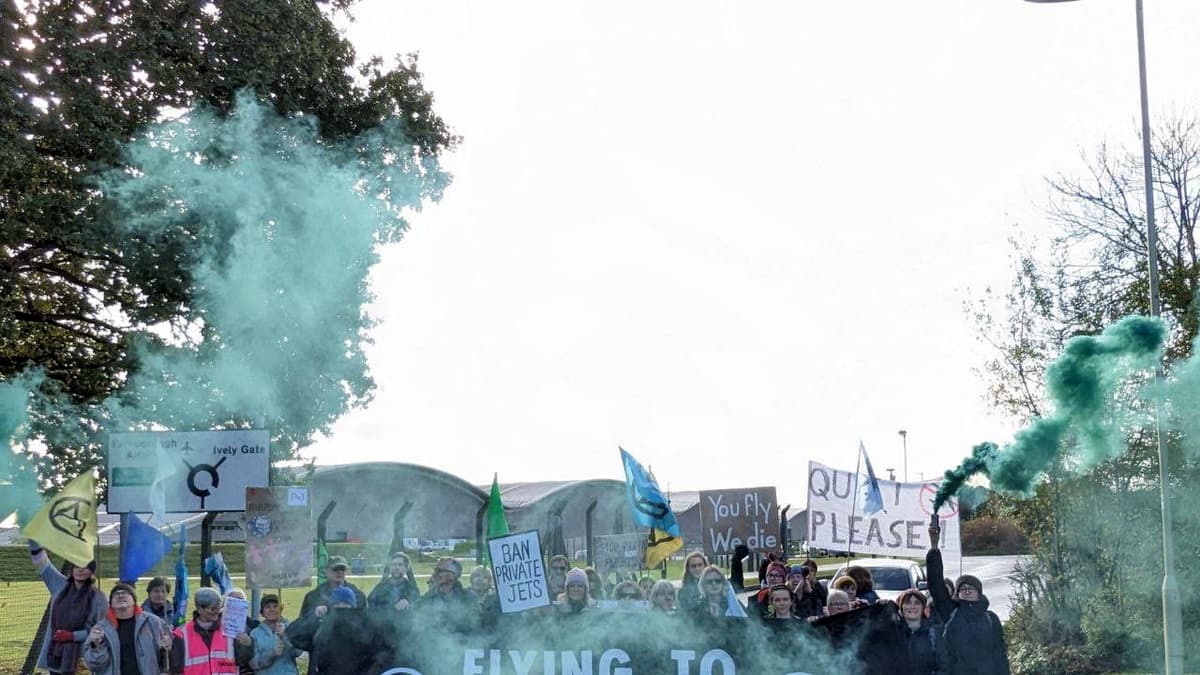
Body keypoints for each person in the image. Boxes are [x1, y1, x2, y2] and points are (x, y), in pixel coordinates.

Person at [927, 521, 1010, 674]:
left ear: (979, 593)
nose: (966, 591)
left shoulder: (991, 619)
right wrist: (934, 548)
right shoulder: (950, 611)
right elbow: (935, 584)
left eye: (971, 588)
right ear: (956, 593)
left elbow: (1000, 654)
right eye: (962, 589)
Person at [29, 539, 107, 674]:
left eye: (85, 566)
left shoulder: (98, 597)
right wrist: (33, 537)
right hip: (56, 655)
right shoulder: (59, 585)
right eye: (76, 566)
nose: (80, 569)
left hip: (82, 660)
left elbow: (99, 630)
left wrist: (71, 636)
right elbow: (41, 562)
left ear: (92, 570)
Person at [82, 582, 172, 675]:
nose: (120, 595)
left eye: (125, 593)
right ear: (111, 604)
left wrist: (167, 649)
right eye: (116, 594)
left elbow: (169, 658)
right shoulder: (100, 628)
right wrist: (96, 646)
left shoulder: (154, 622)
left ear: (134, 600)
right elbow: (95, 665)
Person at [171, 587, 239, 674]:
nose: (217, 612)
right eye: (213, 609)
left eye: (219, 608)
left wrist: (247, 645)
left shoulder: (230, 629)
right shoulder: (182, 634)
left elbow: (241, 659)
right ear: (200, 609)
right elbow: (175, 668)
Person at [895, 589, 949, 675]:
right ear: (901, 607)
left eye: (917, 603)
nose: (912, 606)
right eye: (908, 602)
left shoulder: (933, 634)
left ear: (923, 608)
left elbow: (943, 666)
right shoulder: (893, 633)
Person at [249, 593, 302, 675]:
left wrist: (285, 636)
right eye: (268, 607)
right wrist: (272, 653)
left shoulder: (291, 627)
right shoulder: (255, 633)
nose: (272, 609)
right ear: (262, 612)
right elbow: (253, 664)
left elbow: (298, 652)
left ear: (281, 609)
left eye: (275, 606)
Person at [418, 556, 477, 630]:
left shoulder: (468, 599)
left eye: (440, 571)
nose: (434, 574)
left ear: (453, 575)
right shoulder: (427, 598)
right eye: (435, 570)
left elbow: (474, 627)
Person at [300, 556, 367, 619]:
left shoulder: (358, 595)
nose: (339, 572)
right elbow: (303, 622)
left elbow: (366, 618)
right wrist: (315, 613)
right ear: (327, 572)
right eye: (335, 569)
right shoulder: (313, 596)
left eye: (342, 569)